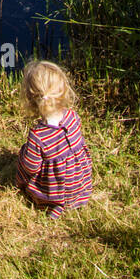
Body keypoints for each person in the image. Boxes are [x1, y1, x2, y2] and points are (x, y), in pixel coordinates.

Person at [15, 60, 92, 218]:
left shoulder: (38, 136)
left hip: (55, 195)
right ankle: (75, 199)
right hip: (80, 186)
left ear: (31, 99)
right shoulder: (73, 117)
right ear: (63, 90)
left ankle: (52, 204)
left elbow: (30, 168)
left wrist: (23, 154)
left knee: (24, 160)